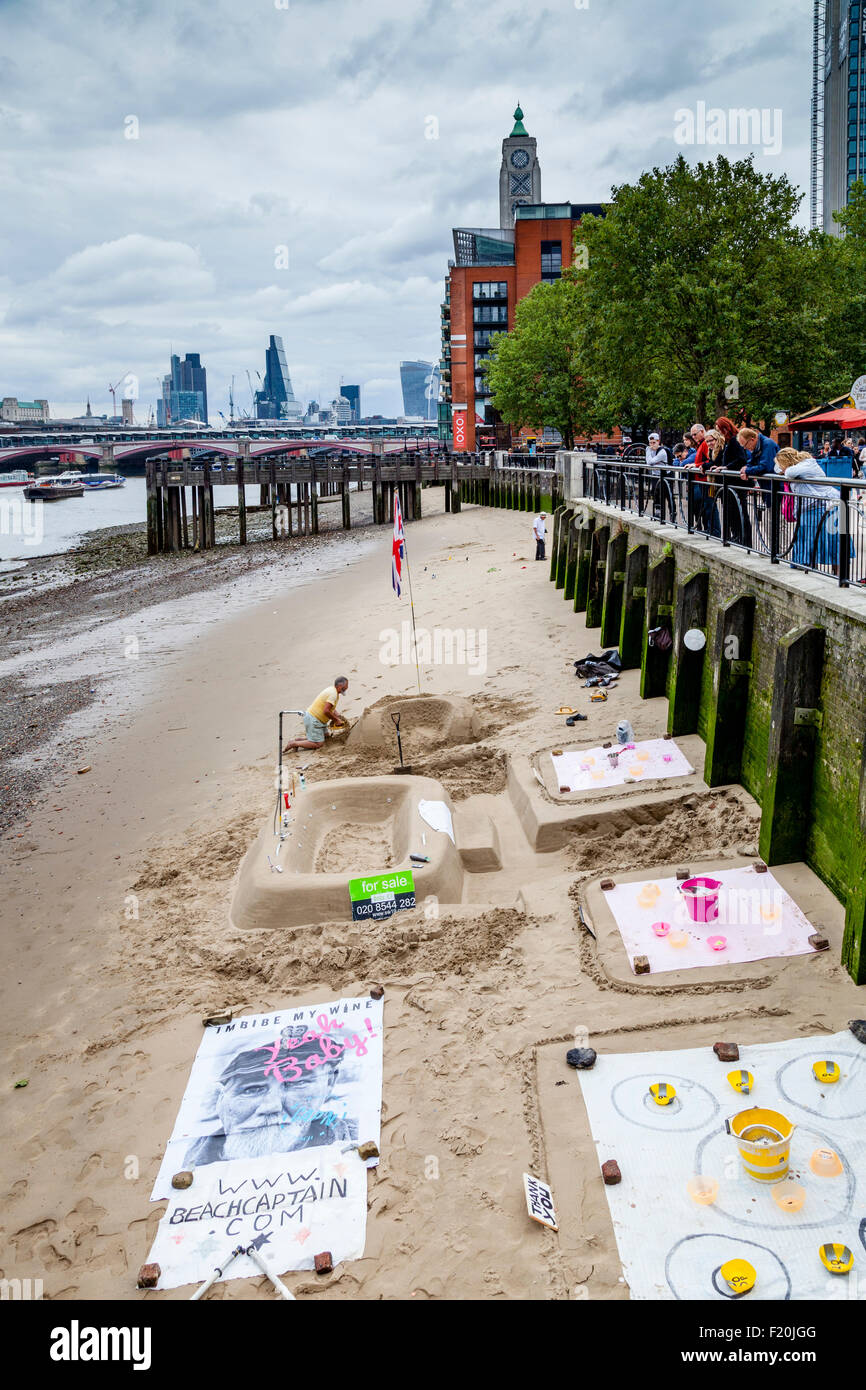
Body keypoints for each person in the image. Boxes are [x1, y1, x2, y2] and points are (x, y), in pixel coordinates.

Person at [183, 1026, 359, 1167]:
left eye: (296, 1083)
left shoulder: (357, 1136)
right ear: (220, 1099)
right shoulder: (189, 1157)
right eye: (251, 1089)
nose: (272, 1106)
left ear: (329, 1083)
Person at [774, 447, 850, 573]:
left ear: (787, 461)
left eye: (781, 464)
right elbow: (778, 470)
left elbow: (788, 473)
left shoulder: (808, 463)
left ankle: (839, 575)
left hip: (827, 505)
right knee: (813, 539)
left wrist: (785, 470)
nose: (780, 468)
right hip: (814, 506)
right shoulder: (800, 466)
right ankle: (810, 568)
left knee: (832, 540)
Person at [284, 676, 349, 751]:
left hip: (317, 719)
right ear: (340, 686)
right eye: (346, 686)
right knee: (318, 744)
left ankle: (298, 740)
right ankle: (294, 744)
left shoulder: (332, 690)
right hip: (314, 719)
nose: (347, 687)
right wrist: (336, 720)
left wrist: (337, 715)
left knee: (326, 736)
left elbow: (330, 707)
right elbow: (326, 711)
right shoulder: (333, 694)